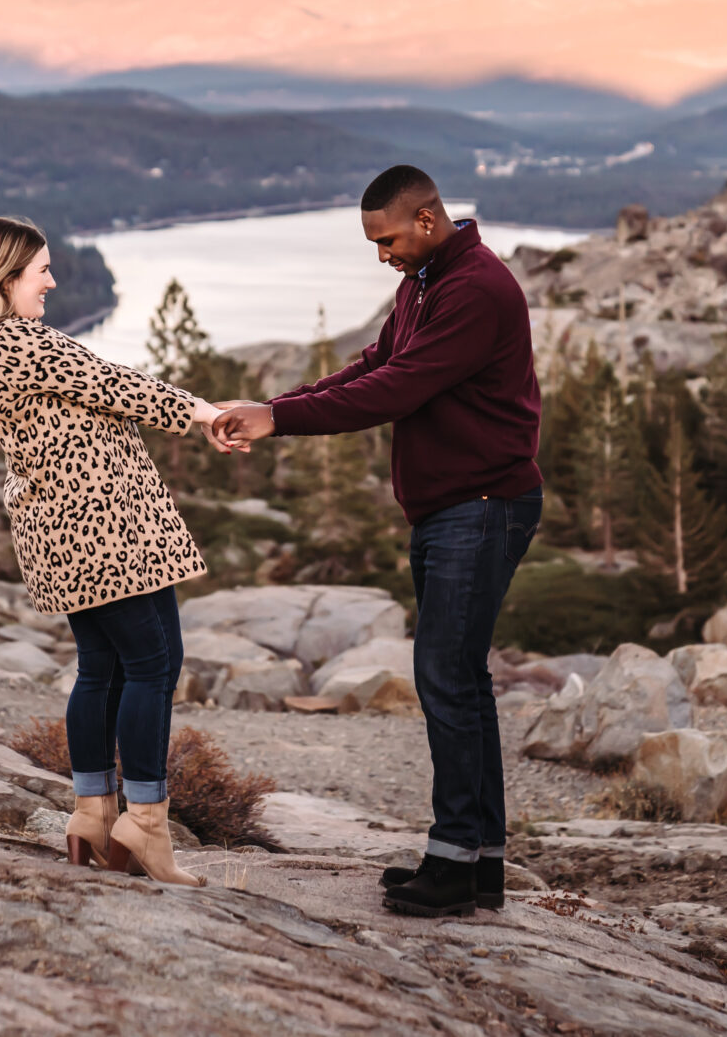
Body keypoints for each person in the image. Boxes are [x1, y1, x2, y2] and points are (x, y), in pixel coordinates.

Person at [213, 166, 543, 917]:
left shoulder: (476, 290)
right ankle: (479, 865)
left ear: (426, 219)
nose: (382, 255)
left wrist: (281, 419)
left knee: (446, 681)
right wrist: (275, 405)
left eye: (387, 239)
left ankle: (454, 866)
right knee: (460, 681)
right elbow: (375, 364)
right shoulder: (426, 281)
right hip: (452, 508)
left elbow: (399, 389)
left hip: (483, 504)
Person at [0, 216, 233, 886]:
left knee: (101, 668)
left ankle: (92, 815)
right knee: (153, 664)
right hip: (106, 530)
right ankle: (145, 825)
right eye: (41, 271)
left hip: (61, 533)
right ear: (6, 279)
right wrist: (207, 414)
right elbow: (120, 384)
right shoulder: (23, 343)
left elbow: (99, 386)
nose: (52, 281)